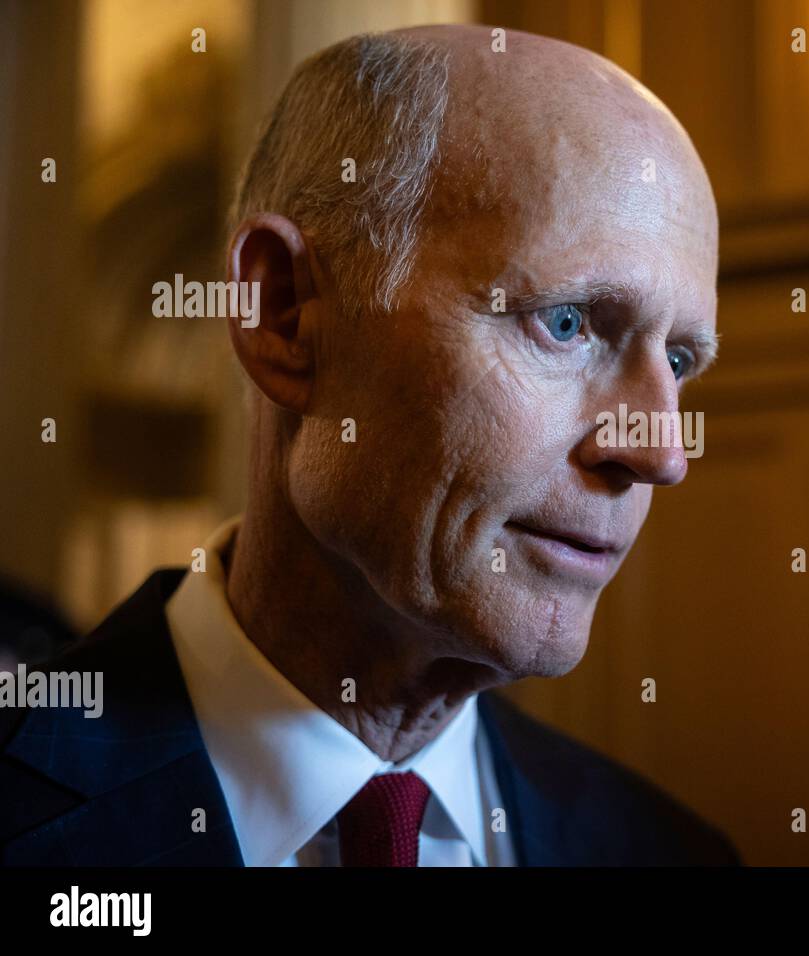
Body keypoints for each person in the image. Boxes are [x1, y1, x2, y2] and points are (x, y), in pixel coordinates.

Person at [0, 24, 735, 867]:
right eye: (566, 324)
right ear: (286, 318)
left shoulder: (668, 853)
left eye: (680, 361)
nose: (660, 452)